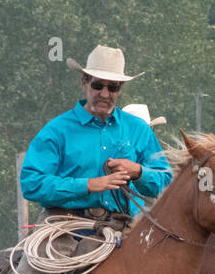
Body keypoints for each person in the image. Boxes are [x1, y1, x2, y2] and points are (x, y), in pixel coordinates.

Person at [20, 45, 172, 219]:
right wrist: (88, 185)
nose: (105, 94)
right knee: (54, 248)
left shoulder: (138, 129)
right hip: (67, 225)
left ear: (120, 89)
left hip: (127, 225)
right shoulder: (57, 130)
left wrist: (138, 171)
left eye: (113, 88)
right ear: (84, 82)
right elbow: (31, 183)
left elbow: (167, 183)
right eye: (98, 85)